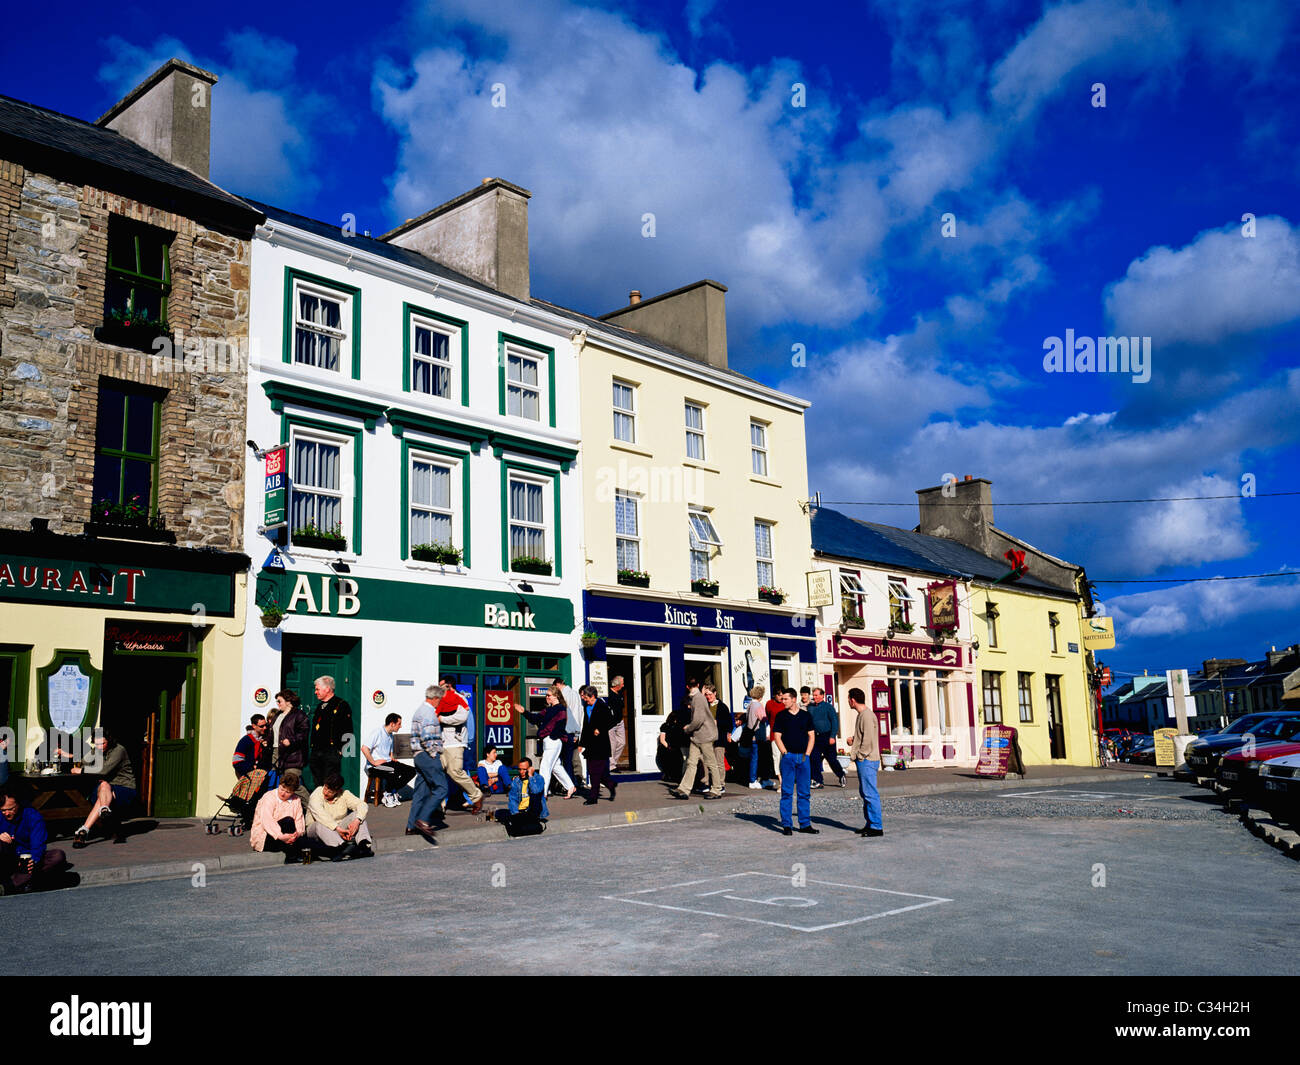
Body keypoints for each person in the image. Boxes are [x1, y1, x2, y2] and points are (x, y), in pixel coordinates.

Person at [70, 727, 136, 847]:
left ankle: (83, 830)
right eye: (96, 743)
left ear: (109, 741)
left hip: (124, 787)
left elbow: (104, 770)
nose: (100, 746)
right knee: (104, 786)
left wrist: (82, 771)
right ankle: (104, 810)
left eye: (102, 743)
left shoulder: (118, 750)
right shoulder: (98, 749)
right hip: (105, 789)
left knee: (104, 787)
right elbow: (85, 761)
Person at [0, 789, 70, 894]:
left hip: (28, 860)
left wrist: (34, 860)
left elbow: (38, 844)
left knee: (57, 856)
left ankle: (10, 885)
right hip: (9, 859)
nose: (7, 813)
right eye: (3, 810)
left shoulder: (32, 816)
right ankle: (27, 883)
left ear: (18, 805)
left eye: (10, 809)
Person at [406, 684, 450, 845]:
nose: (440, 703)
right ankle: (423, 820)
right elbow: (427, 737)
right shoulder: (429, 713)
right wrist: (434, 753)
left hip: (418, 755)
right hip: (427, 755)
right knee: (442, 788)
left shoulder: (419, 711)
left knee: (420, 792)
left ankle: (410, 826)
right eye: (440, 700)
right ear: (435, 698)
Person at [773, 687, 818, 835]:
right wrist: (785, 753)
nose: (782, 701)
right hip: (788, 758)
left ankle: (805, 824)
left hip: (803, 758)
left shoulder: (806, 716)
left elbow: (811, 736)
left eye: (785, 699)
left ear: (793, 699)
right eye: (782, 698)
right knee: (786, 792)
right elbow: (777, 737)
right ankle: (787, 824)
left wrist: (808, 754)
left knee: (804, 792)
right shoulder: (781, 716)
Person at [670, 681, 722, 800]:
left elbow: (698, 720)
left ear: (687, 686)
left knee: (710, 763)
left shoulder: (698, 699)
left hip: (704, 736)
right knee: (692, 762)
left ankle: (716, 789)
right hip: (698, 736)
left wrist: (688, 728)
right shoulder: (698, 698)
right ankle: (684, 789)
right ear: (698, 685)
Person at [437, 685, 483, 815]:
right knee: (438, 773)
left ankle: (475, 796)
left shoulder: (460, 699)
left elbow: (464, 719)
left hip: (455, 743)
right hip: (442, 743)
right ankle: (439, 804)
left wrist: (442, 719)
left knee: (456, 772)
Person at [306, 771, 374, 860]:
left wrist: (357, 821)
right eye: (325, 788)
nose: (326, 792)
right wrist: (337, 829)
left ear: (337, 791)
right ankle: (341, 847)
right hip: (316, 829)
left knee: (358, 815)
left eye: (330, 791)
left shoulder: (344, 794)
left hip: (338, 829)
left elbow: (362, 805)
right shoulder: (317, 793)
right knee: (319, 824)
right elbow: (319, 813)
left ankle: (363, 846)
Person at [250, 768, 311, 862]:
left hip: (289, 836)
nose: (283, 793)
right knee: (288, 820)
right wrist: (280, 836)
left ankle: (335, 850)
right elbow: (267, 820)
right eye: (282, 789)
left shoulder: (296, 800)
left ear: (293, 792)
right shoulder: (268, 797)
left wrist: (297, 833)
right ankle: (293, 855)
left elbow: (299, 819)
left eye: (288, 792)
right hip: (268, 836)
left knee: (308, 841)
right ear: (279, 785)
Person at [524, 693, 576, 799]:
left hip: (553, 741)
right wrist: (524, 712)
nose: (547, 697)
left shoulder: (561, 709)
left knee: (545, 766)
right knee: (556, 766)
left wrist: (552, 735)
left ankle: (542, 792)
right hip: (548, 740)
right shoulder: (548, 710)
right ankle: (570, 787)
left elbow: (561, 724)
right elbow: (536, 718)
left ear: (556, 696)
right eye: (546, 695)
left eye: (549, 695)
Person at [847, 687, 883, 837]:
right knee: (865, 793)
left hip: (867, 760)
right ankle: (870, 824)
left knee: (870, 793)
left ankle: (876, 827)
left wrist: (860, 755)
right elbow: (864, 736)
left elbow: (867, 741)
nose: (848, 701)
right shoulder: (863, 715)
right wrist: (854, 740)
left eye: (849, 699)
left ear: (853, 700)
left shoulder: (866, 716)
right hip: (865, 759)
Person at [363, 712, 416, 808]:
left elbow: (388, 751)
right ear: (392, 724)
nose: (400, 726)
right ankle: (387, 794)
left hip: (387, 763)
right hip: (375, 766)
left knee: (411, 771)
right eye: (399, 724)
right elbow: (364, 748)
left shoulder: (390, 735)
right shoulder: (377, 732)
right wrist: (373, 762)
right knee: (393, 771)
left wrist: (392, 758)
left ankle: (392, 791)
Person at [309, 676, 352, 791]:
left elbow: (348, 730)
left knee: (330, 784)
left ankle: (331, 807)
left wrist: (342, 750)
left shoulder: (341, 705)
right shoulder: (319, 706)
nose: (315, 692)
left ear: (327, 689)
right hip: (316, 751)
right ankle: (319, 807)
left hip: (331, 751)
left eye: (317, 689)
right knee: (318, 784)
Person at [578, 685, 617, 805]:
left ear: (593, 696)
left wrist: (600, 729)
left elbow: (611, 721)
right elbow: (585, 725)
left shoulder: (602, 706)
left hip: (601, 744)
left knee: (596, 772)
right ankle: (611, 785)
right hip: (590, 744)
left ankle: (593, 797)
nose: (584, 699)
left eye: (586, 697)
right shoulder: (586, 707)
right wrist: (581, 743)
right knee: (593, 771)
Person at [494, 757, 549, 837]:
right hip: (520, 812)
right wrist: (516, 814)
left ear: (530, 769)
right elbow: (513, 799)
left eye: (524, 769)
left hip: (533, 811)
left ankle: (516, 823)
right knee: (499, 812)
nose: (521, 772)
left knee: (510, 819)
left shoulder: (538, 778)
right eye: (519, 769)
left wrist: (530, 776)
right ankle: (518, 821)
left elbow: (535, 791)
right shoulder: (516, 781)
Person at [809, 688, 846, 788]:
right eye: (814, 695)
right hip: (815, 737)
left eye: (816, 695)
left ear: (822, 696)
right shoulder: (810, 707)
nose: (814, 697)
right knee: (814, 758)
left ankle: (841, 774)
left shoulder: (828, 707)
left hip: (827, 736)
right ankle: (818, 781)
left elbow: (834, 722)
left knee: (831, 759)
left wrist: (832, 736)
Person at [273, 690, 309, 775]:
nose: (277, 703)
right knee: (277, 785)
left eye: (279, 701)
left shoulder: (299, 715)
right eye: (276, 701)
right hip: (276, 754)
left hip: (292, 756)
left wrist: (291, 741)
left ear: (288, 702)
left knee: (291, 785)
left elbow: (303, 734)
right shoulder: (277, 715)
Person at [705, 684, 733, 794]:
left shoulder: (722, 707)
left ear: (715, 693)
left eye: (710, 694)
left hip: (719, 738)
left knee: (719, 762)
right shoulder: (705, 706)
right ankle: (707, 783)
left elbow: (728, 723)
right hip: (707, 738)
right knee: (707, 762)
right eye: (706, 695)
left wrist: (718, 723)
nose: (708, 697)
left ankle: (721, 784)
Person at [743, 685, 771, 789]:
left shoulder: (750, 705)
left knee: (754, 757)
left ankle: (754, 779)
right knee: (757, 758)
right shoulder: (758, 706)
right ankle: (753, 780)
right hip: (758, 735)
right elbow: (763, 719)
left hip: (751, 735)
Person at [232, 714, 271, 779]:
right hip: (249, 779)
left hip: (262, 777)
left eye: (266, 725)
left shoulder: (264, 740)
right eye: (261, 726)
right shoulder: (246, 740)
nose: (265, 728)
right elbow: (236, 762)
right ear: (254, 726)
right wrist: (252, 768)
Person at [608, 675, 628, 769]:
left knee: (622, 742)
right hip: (610, 723)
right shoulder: (608, 694)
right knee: (612, 744)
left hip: (619, 721)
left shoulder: (620, 694)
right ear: (617, 684)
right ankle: (611, 766)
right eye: (622, 683)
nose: (623, 686)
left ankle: (613, 762)